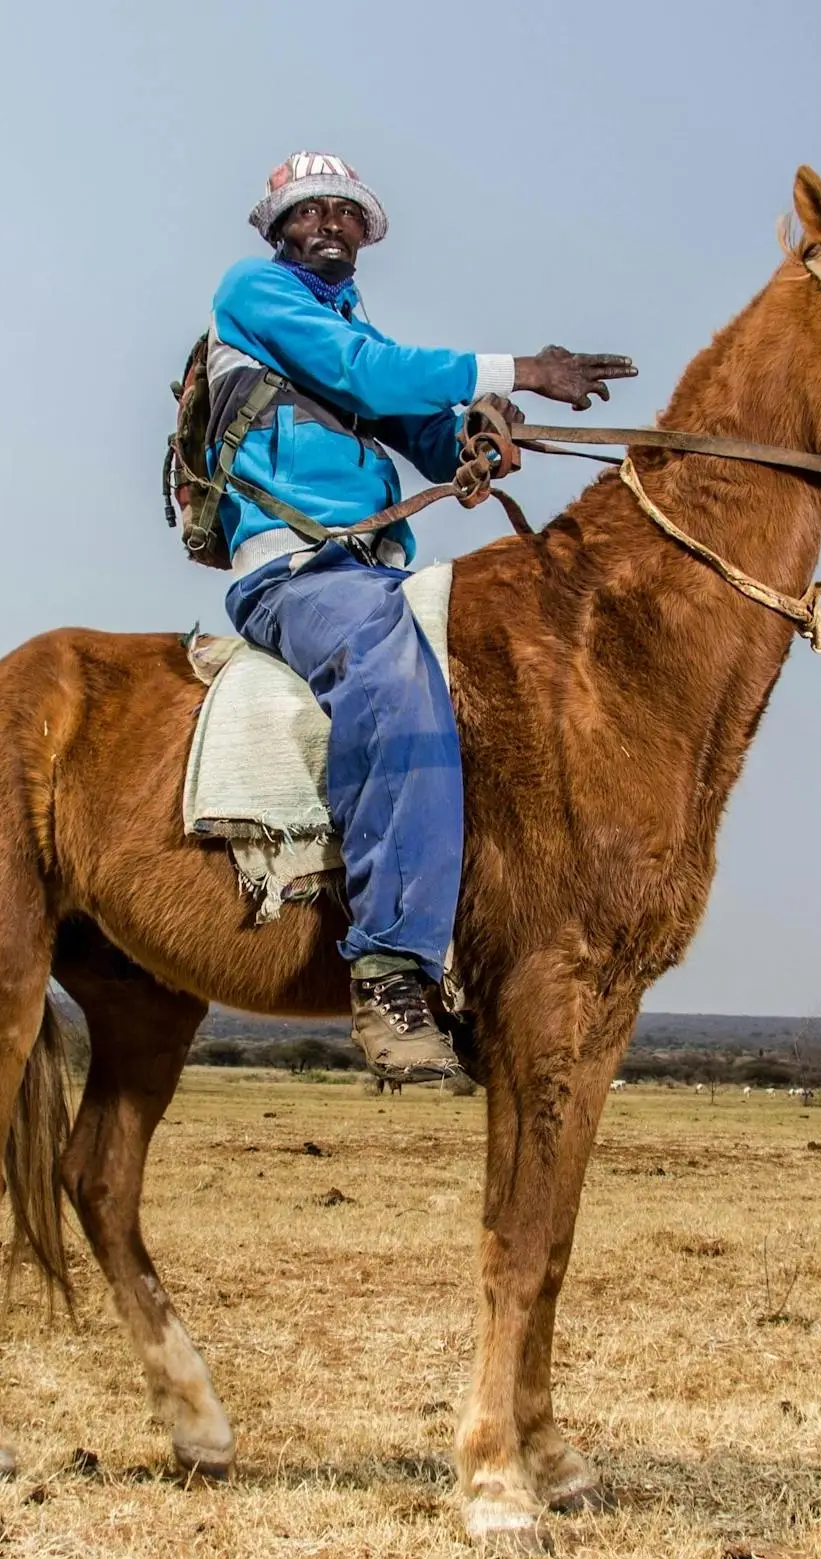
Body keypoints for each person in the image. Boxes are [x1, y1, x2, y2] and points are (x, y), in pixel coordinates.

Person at [210, 151, 635, 1083]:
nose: (329, 223)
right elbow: (366, 376)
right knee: (393, 669)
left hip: (378, 570)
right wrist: (522, 369)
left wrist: (474, 434)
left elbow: (411, 420)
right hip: (297, 573)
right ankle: (390, 973)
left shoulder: (349, 327)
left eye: (347, 213)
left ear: (365, 237)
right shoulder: (255, 294)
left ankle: (484, 961)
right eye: (307, 211)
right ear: (275, 229)